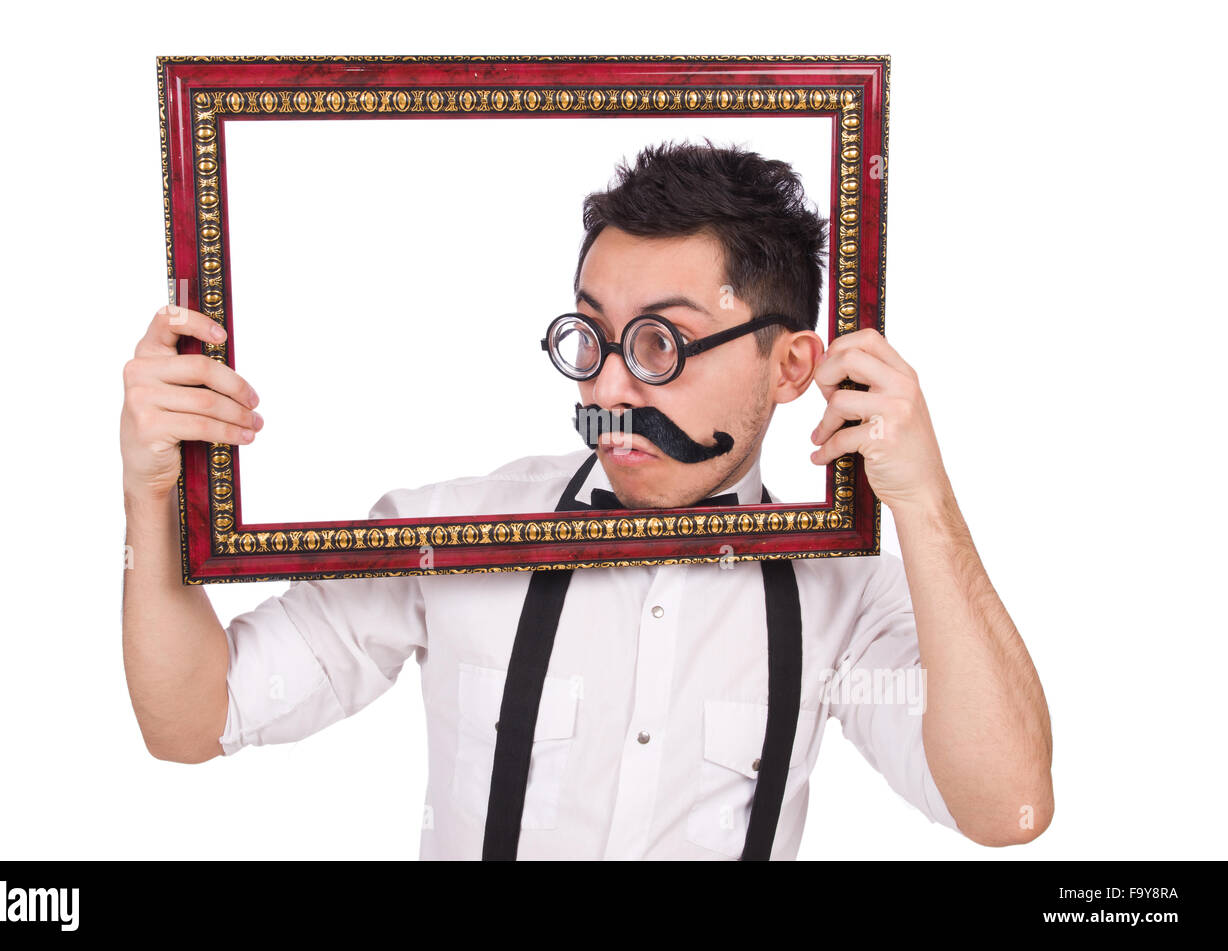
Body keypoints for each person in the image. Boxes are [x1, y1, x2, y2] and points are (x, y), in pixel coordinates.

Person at [121, 138, 1053, 860]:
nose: (608, 390)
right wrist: (148, 490)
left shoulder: (842, 590)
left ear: (790, 364)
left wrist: (926, 504)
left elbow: (1006, 805)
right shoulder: (450, 534)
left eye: (662, 346)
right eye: (593, 339)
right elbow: (193, 717)